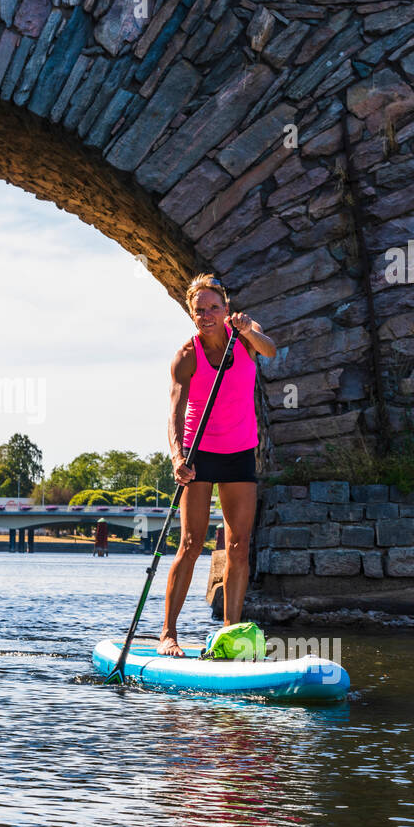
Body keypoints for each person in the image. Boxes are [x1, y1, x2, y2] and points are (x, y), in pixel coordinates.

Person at [159, 274, 277, 657]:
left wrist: (247, 330)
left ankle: (230, 636)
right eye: (200, 310)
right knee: (191, 544)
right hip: (199, 453)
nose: (207, 315)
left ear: (226, 309)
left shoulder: (246, 336)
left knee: (239, 548)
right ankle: (168, 635)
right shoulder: (186, 356)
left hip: (240, 452)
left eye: (214, 308)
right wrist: (178, 457)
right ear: (191, 315)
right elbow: (174, 412)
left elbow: (271, 350)